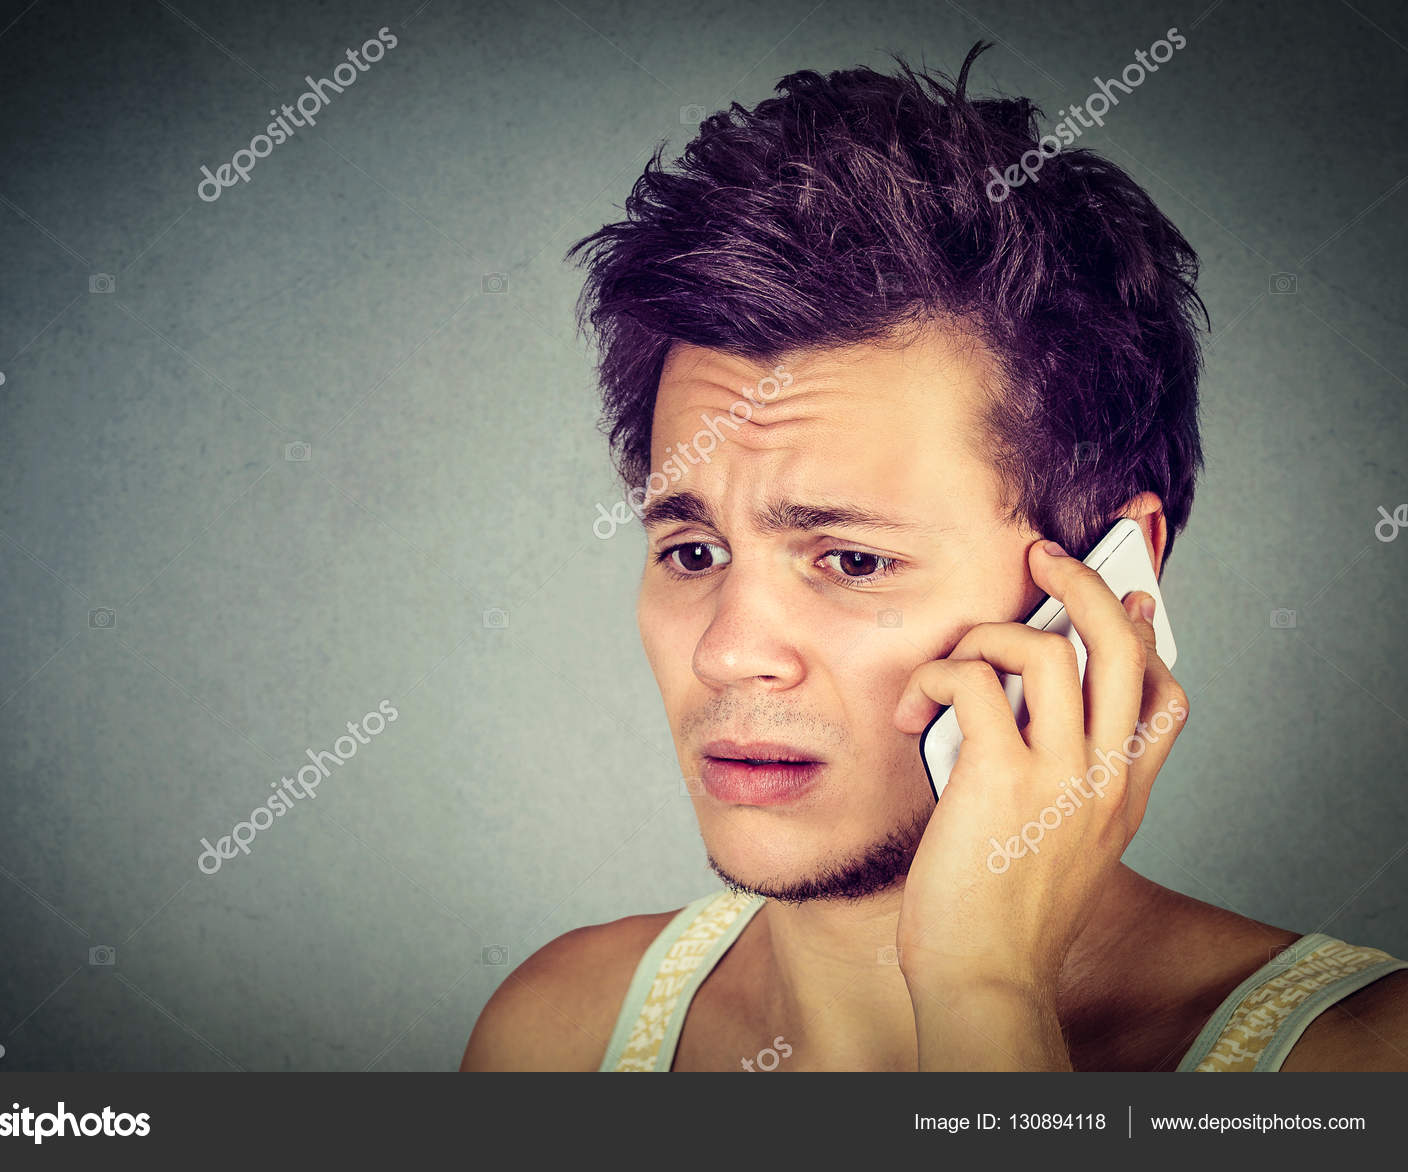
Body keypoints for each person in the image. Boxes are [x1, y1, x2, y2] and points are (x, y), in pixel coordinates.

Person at [461, 45, 1408, 1071]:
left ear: (1113, 585)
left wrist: (982, 990)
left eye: (852, 560)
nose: (727, 653)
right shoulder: (558, 1030)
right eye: (693, 549)